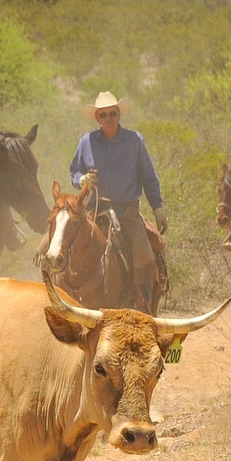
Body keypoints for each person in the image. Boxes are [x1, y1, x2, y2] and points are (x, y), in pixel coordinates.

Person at [69, 91, 166, 313]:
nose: (108, 118)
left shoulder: (134, 140)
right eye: (103, 115)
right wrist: (82, 180)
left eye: (112, 113)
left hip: (126, 212)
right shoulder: (86, 142)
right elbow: (74, 171)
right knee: (60, 242)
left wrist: (157, 207)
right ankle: (59, 292)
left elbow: (149, 177)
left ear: (119, 114)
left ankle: (143, 302)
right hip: (93, 209)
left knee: (144, 255)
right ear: (97, 118)